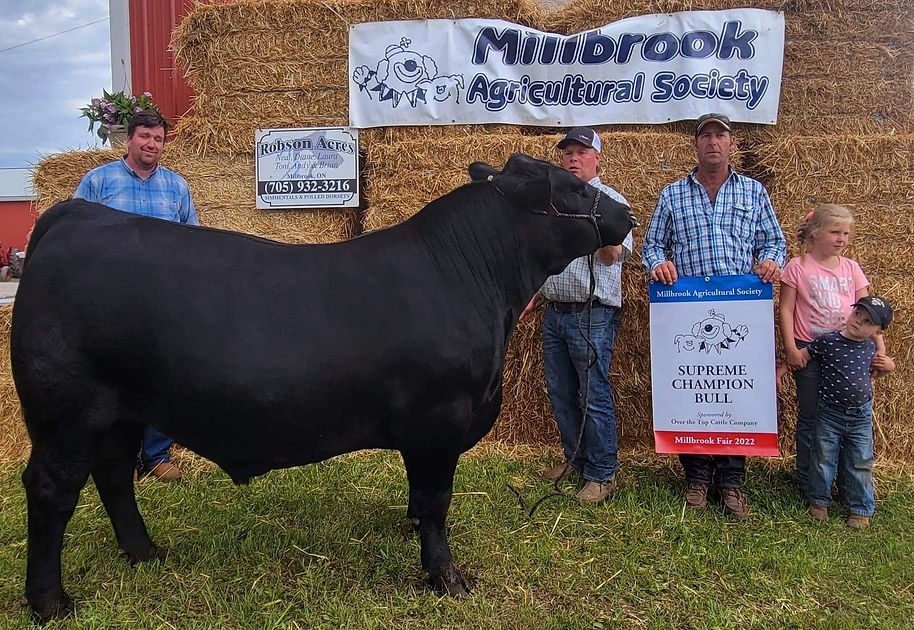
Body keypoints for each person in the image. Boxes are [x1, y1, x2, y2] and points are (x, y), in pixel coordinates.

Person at [641, 113, 787, 520]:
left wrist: (771, 263)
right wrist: (660, 265)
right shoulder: (672, 195)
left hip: (741, 311)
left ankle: (732, 482)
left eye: (720, 135)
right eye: (705, 135)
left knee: (737, 391)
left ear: (731, 143)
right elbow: (652, 247)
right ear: (695, 145)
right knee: (693, 390)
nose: (712, 142)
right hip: (688, 311)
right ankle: (697, 476)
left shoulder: (754, 192)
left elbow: (774, 242)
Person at [73, 109, 197, 482]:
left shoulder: (176, 186)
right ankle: (119, 459)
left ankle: (157, 456)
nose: (151, 144)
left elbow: (192, 241)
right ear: (128, 139)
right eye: (145, 136)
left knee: (162, 376)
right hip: (112, 299)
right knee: (115, 378)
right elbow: (75, 233)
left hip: (161, 301)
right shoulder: (98, 181)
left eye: (158, 138)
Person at [519, 127, 634, 504]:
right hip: (556, 311)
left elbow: (613, 256)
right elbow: (545, 258)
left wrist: (597, 229)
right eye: (567, 152)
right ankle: (575, 460)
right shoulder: (553, 204)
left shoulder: (613, 203)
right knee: (560, 391)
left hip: (592, 314)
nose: (572, 157)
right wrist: (532, 294)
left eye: (582, 151)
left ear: (598, 157)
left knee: (593, 393)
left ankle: (602, 474)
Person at [778, 204, 886, 494]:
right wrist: (791, 348)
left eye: (846, 234)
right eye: (835, 232)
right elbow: (786, 310)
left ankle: (841, 480)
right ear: (815, 233)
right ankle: (807, 481)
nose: (842, 239)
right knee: (812, 418)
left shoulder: (852, 268)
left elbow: (869, 313)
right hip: (809, 352)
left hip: (849, 351)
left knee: (845, 421)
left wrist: (880, 351)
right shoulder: (797, 267)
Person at [776, 296, 895, 529]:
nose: (858, 321)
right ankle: (819, 501)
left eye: (868, 321)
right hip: (829, 413)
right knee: (823, 458)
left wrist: (890, 365)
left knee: (860, 461)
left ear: (878, 331)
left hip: (860, 416)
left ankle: (860, 508)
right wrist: (781, 370)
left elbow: (887, 367)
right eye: (857, 314)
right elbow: (802, 356)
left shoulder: (872, 349)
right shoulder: (828, 341)